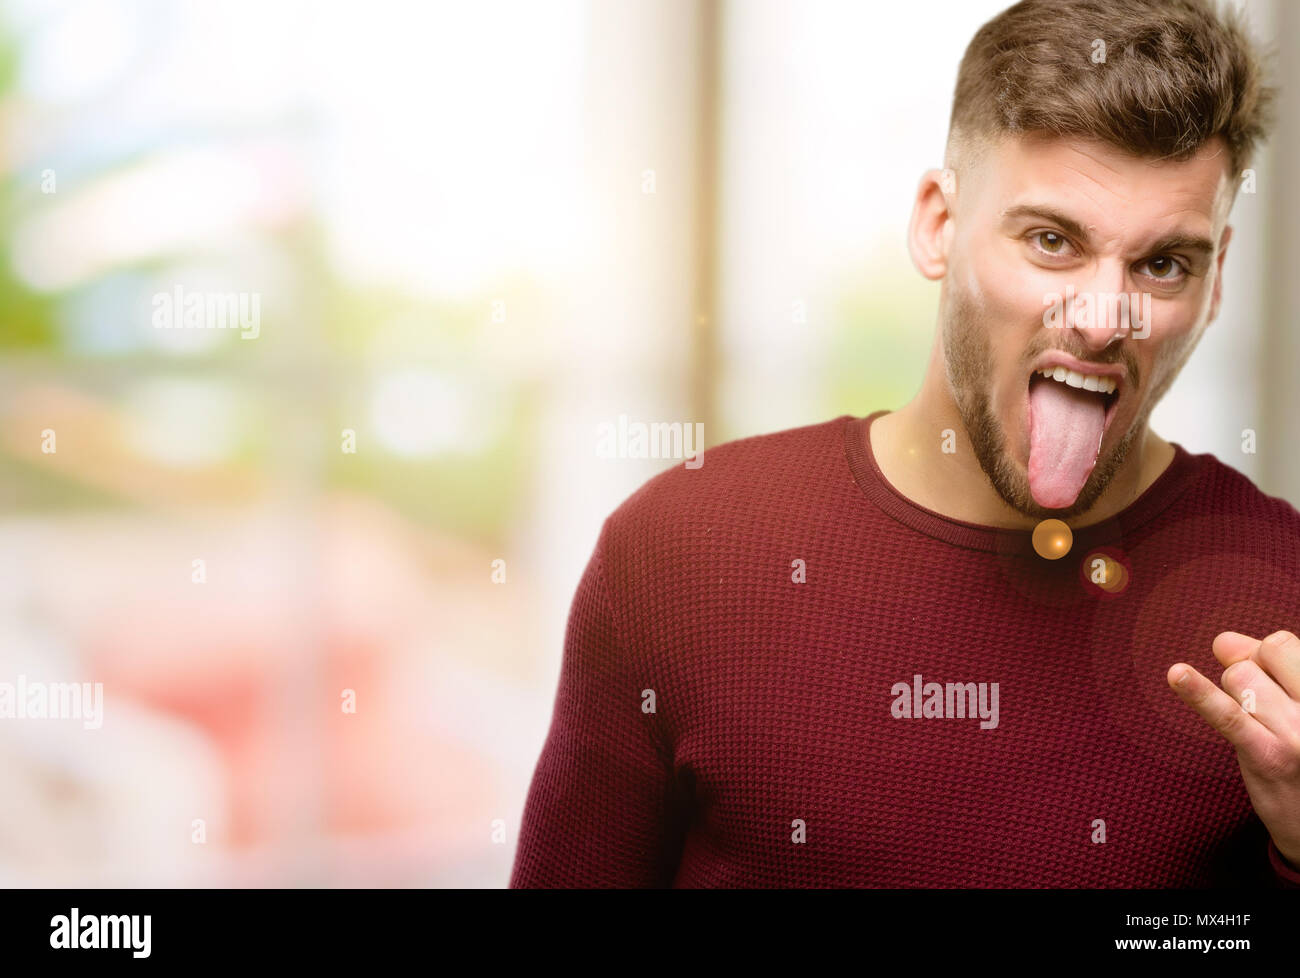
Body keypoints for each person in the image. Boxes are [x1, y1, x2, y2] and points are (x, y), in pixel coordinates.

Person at [511, 0, 1300, 887]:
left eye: (1163, 265)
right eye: (1051, 241)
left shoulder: (1286, 594)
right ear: (937, 223)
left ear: (1218, 276)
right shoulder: (680, 554)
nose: (1102, 318)